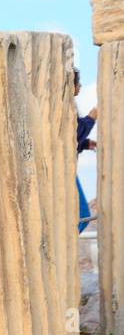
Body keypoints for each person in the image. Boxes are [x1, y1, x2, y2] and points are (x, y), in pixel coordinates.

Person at [76, 68, 98, 235]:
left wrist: (85, 144)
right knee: (82, 216)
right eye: (78, 81)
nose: (81, 85)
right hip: (64, 172)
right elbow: (75, 132)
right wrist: (91, 118)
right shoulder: (64, 103)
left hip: (66, 170)